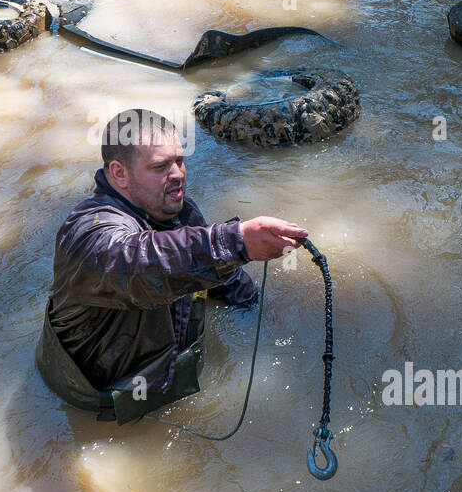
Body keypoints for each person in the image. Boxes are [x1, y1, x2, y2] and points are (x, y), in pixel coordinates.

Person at [36, 108, 306, 424]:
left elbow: (221, 278)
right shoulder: (86, 234)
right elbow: (140, 265)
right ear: (119, 173)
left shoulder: (177, 210)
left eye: (179, 160)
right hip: (98, 404)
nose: (177, 173)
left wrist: (265, 316)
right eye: (160, 166)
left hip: (163, 375)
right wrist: (234, 241)